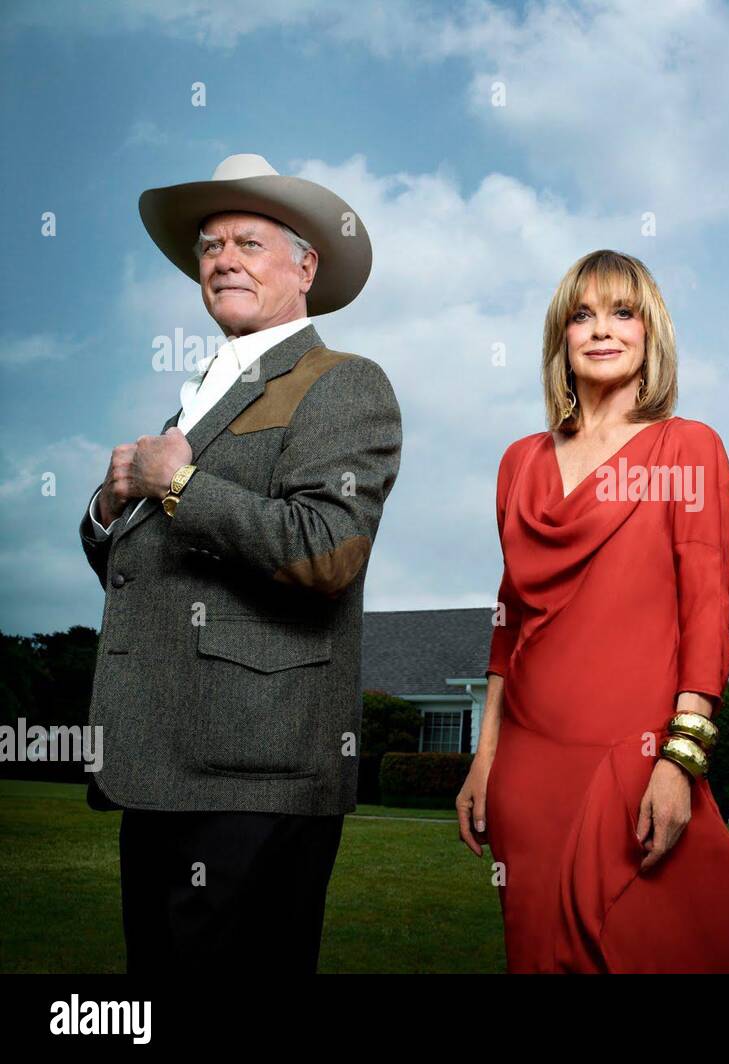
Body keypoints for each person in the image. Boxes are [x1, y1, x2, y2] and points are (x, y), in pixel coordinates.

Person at [77, 153, 402, 972]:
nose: (222, 257)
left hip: (256, 768)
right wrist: (110, 508)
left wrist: (178, 483)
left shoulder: (343, 383)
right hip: (161, 761)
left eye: (248, 243)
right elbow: (144, 571)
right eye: (210, 246)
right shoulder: (203, 393)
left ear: (305, 266)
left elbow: (325, 550)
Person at [456, 249, 729, 973]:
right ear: (562, 337)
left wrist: (680, 759)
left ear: (651, 333)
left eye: (622, 312)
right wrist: (485, 758)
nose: (601, 330)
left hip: (638, 760)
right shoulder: (519, 461)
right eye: (582, 315)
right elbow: (508, 623)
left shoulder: (690, 446)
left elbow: (708, 611)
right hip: (526, 768)